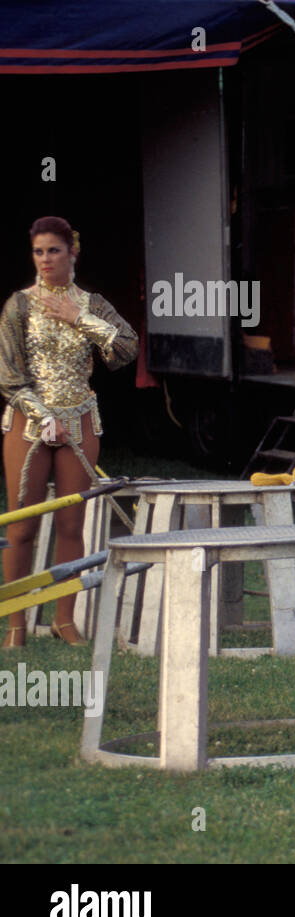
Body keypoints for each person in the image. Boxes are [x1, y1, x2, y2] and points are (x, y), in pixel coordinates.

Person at [1, 217, 138, 649]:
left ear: (72, 253)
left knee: (72, 525)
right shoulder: (18, 305)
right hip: (29, 423)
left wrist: (81, 318)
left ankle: (64, 619)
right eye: (38, 251)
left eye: (53, 251)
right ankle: (16, 625)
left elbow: (126, 349)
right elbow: (9, 377)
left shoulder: (92, 303)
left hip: (80, 419)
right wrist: (43, 416)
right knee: (22, 527)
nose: (45, 259)